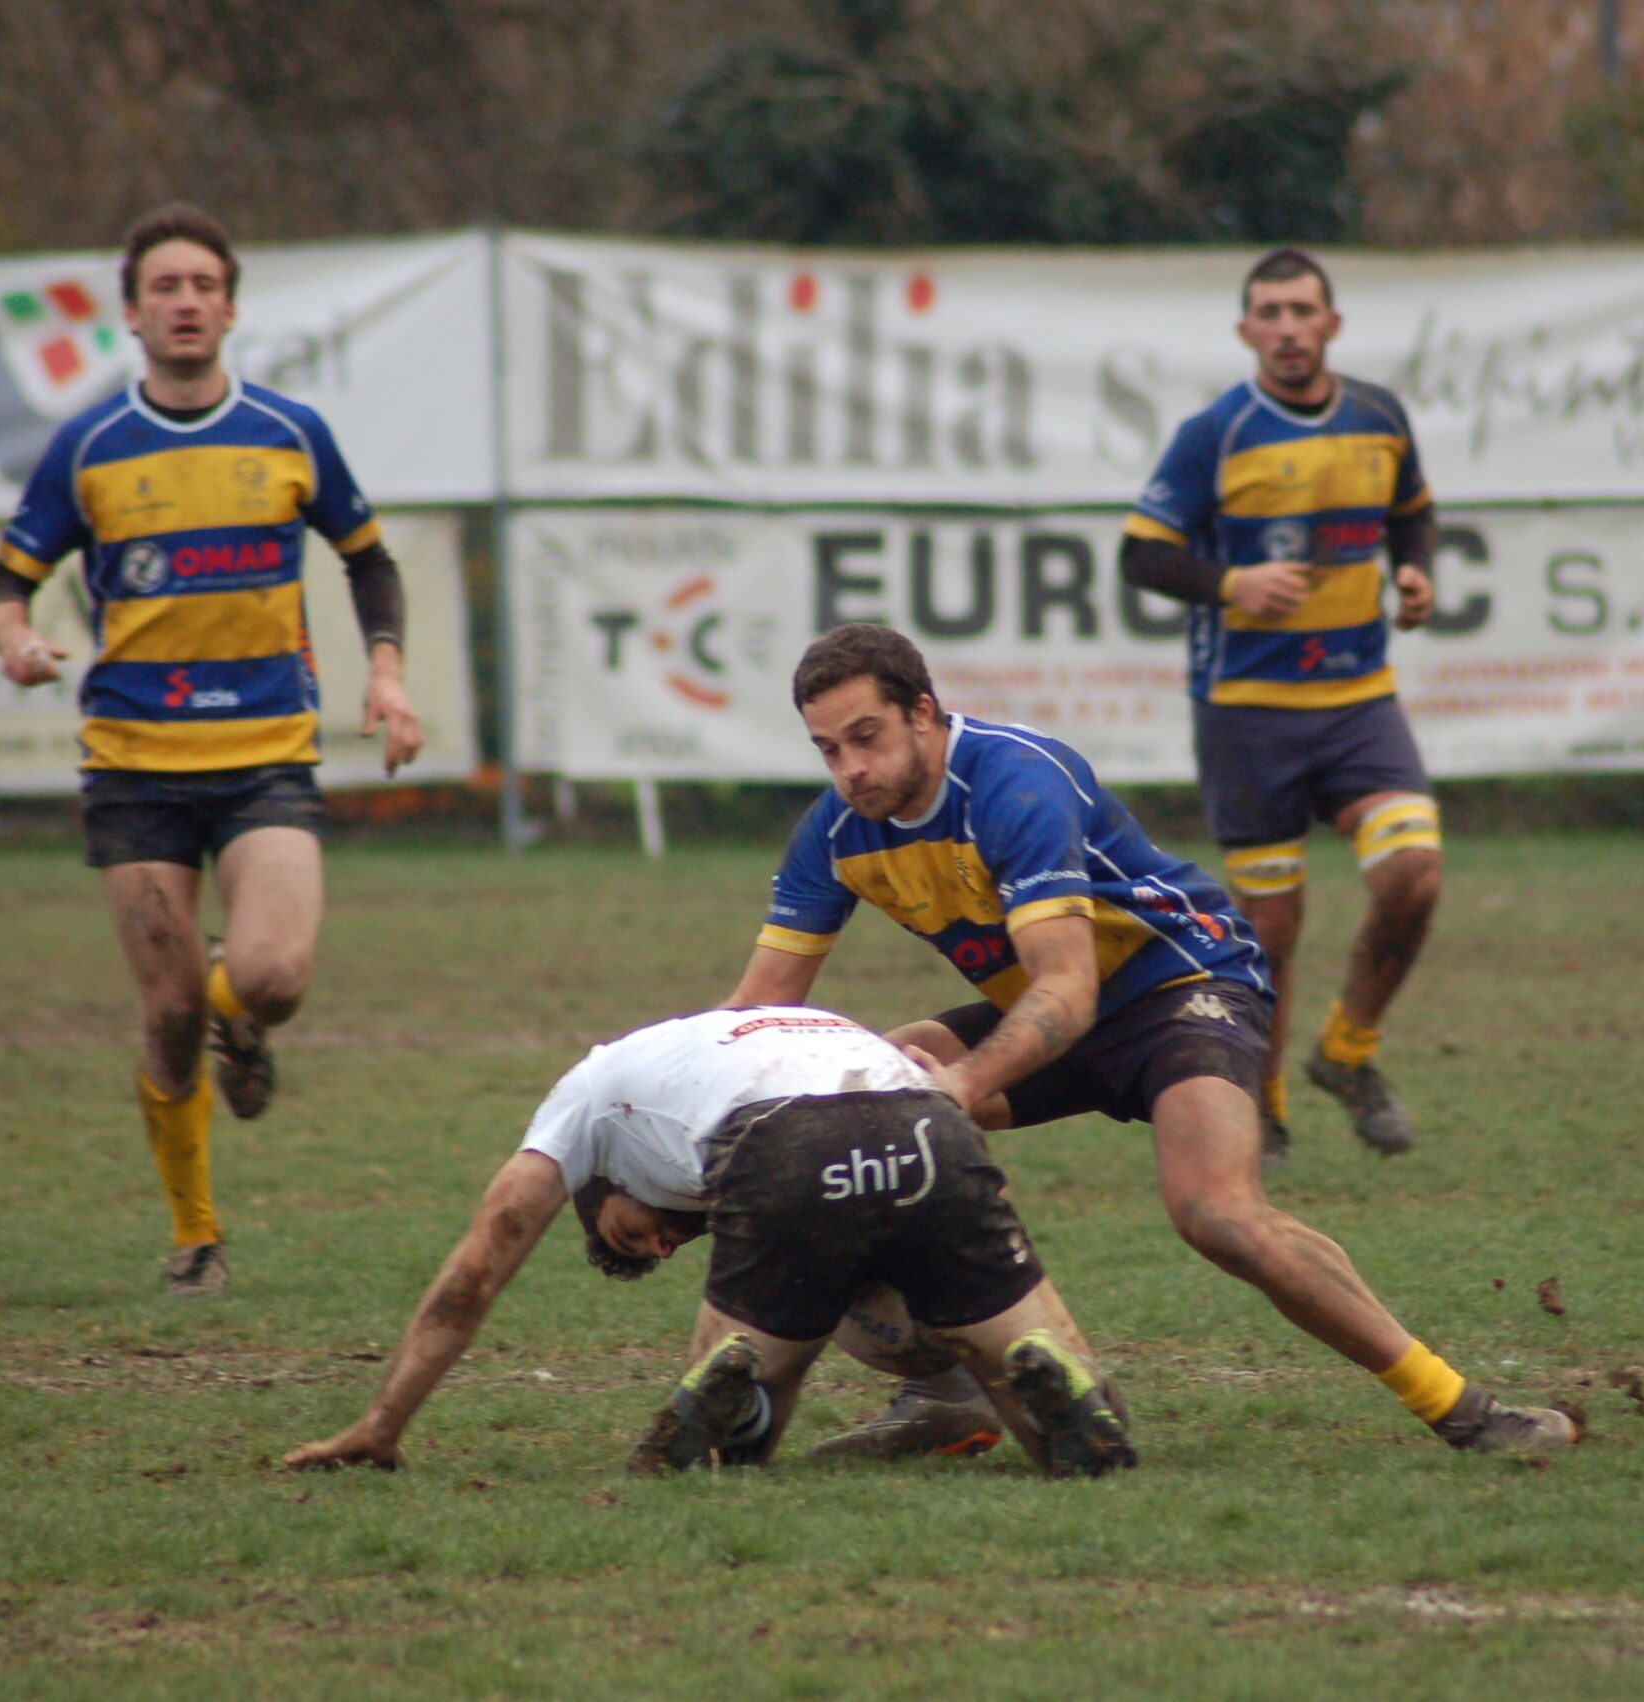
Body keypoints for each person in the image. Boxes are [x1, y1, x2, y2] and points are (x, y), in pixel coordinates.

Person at [723, 623, 1574, 1461]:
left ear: (922, 712)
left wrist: (964, 1085)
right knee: (848, 1098)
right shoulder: (835, 833)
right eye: (828, 750)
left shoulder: (1016, 781)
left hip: (1182, 986)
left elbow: (1067, 988)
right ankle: (945, 1390)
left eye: (865, 737)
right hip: (1051, 1009)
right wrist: (662, 1114)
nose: (851, 770)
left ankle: (1461, 1407)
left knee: (1216, 1212)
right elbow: (757, 1011)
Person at [0, 202, 424, 1298]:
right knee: (167, 1022)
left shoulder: (288, 431)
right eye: (164, 286)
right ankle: (196, 1238)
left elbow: (368, 560)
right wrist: (19, 641)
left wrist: (386, 671)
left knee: (269, 979)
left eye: (203, 285)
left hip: (268, 753)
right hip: (133, 764)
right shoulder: (89, 445)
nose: (185, 302)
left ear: (229, 306)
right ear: (131, 313)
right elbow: (3, 585)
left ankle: (238, 1014)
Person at [283, 1007, 1137, 1479]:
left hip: (787, 1142)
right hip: (927, 1123)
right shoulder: (737, 1038)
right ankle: (1033, 1370)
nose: (659, 1245)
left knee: (720, 1457)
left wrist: (381, 1424)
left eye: (629, 1231)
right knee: (1088, 1431)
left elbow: (477, 1265)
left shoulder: (580, 1106)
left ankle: (747, 1399)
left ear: (601, 1187)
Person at [1119, 246, 1442, 1163]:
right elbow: (1143, 553)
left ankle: (1348, 1053)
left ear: (1332, 324)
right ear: (1247, 331)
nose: (1289, 328)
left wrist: (1415, 570)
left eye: (1304, 311)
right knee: (1271, 927)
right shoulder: (1214, 433)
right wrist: (1233, 584)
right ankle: (1261, 1105)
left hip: (1358, 702)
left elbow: (1414, 511)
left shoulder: (1379, 416)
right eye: (1271, 313)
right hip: (1247, 713)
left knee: (1413, 873)